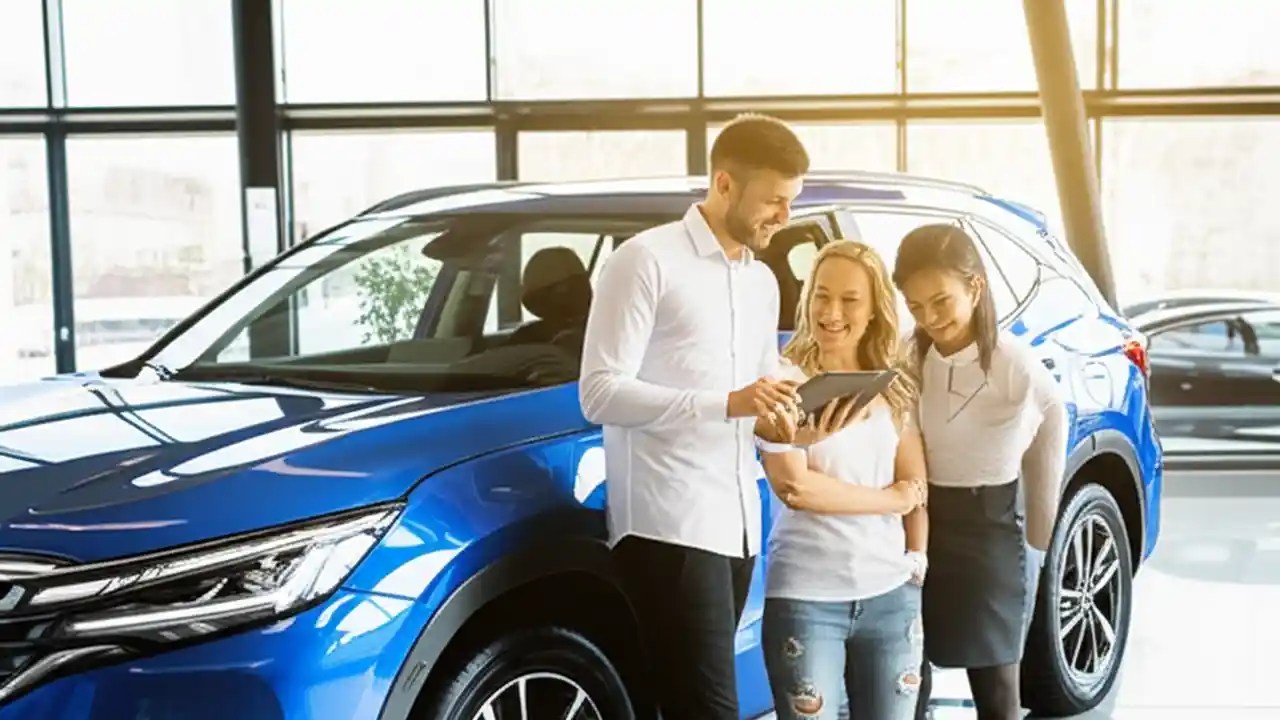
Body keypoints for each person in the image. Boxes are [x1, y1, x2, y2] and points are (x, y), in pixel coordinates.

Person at [577, 113, 810, 720]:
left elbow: (759, 393)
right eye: (774, 202)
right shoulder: (644, 260)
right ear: (725, 184)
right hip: (667, 524)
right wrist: (725, 404)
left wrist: (778, 418)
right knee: (709, 710)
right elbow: (598, 393)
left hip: (737, 520)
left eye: (791, 203)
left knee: (683, 705)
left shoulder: (761, 282)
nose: (784, 219)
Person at [890, 224, 1069, 720]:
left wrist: (1040, 535)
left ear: (975, 286)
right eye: (916, 306)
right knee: (907, 678)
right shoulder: (909, 352)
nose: (929, 318)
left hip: (988, 531)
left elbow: (1054, 418)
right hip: (918, 524)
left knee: (995, 692)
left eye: (940, 302)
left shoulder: (1016, 364)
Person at [753, 240, 930, 720]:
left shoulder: (894, 388)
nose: (831, 312)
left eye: (850, 300)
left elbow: (915, 487)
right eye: (821, 296)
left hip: (893, 597)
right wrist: (888, 501)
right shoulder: (783, 382)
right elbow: (797, 489)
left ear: (874, 310)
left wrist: (917, 559)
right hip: (806, 598)